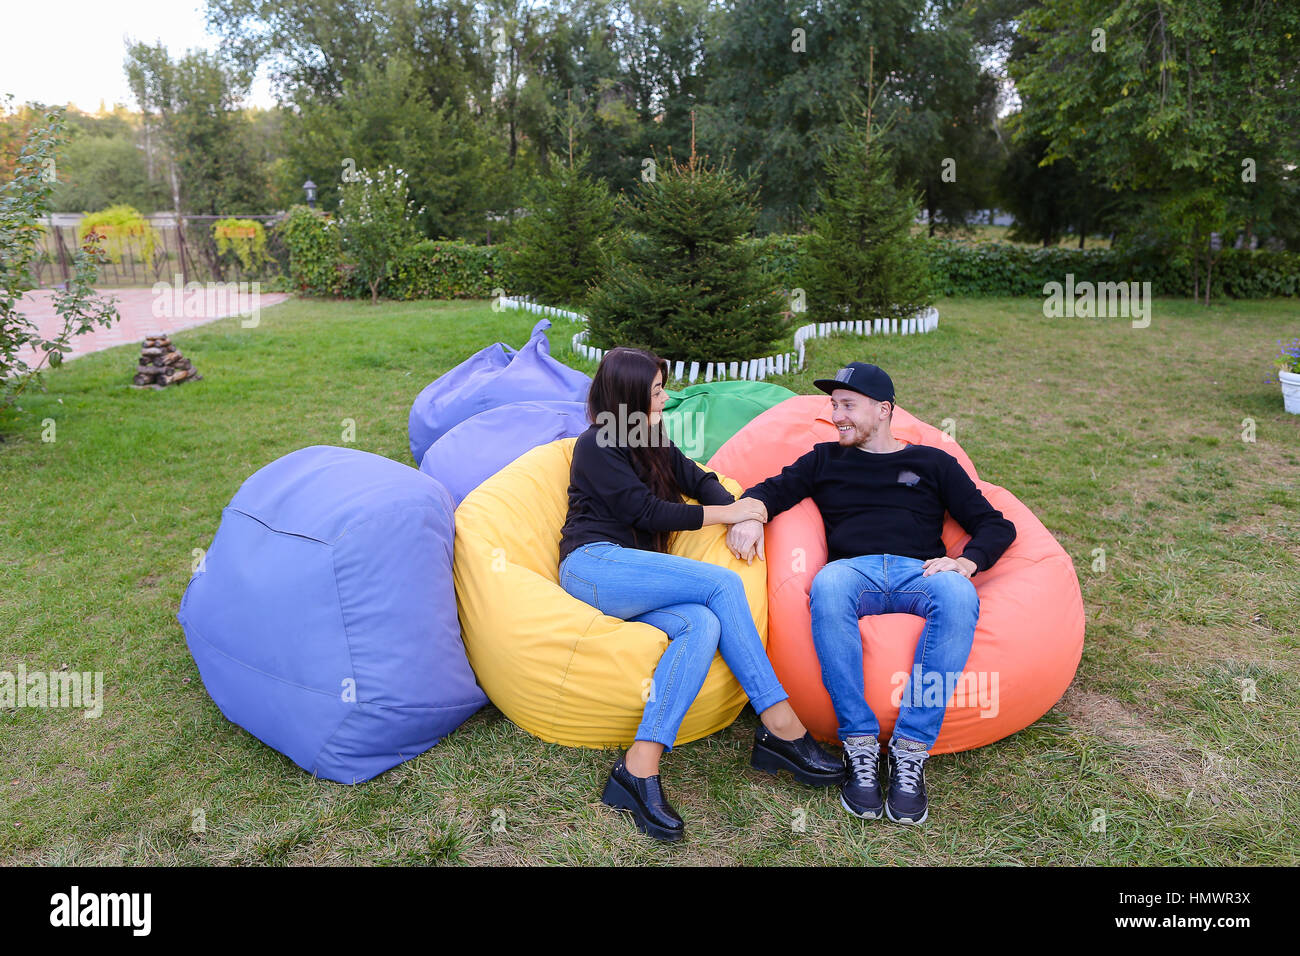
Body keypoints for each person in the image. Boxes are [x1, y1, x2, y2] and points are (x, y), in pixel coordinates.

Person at [557, 346, 843, 842]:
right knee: (722, 583)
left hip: (637, 577)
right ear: (625, 398)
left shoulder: (651, 439)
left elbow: (700, 480)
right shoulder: (596, 445)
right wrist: (730, 516)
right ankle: (781, 724)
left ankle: (638, 768)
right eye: (656, 392)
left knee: (702, 624)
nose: (666, 399)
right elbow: (648, 513)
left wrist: (746, 513)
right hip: (593, 566)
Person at [726, 362, 1016, 825]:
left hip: (919, 570)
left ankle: (910, 752)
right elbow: (772, 490)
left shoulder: (933, 463)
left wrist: (964, 563)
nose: (837, 415)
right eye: (834, 405)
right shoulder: (825, 459)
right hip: (852, 571)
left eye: (848, 406)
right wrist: (748, 515)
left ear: (883, 410)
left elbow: (995, 524)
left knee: (960, 595)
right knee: (829, 582)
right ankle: (859, 745)